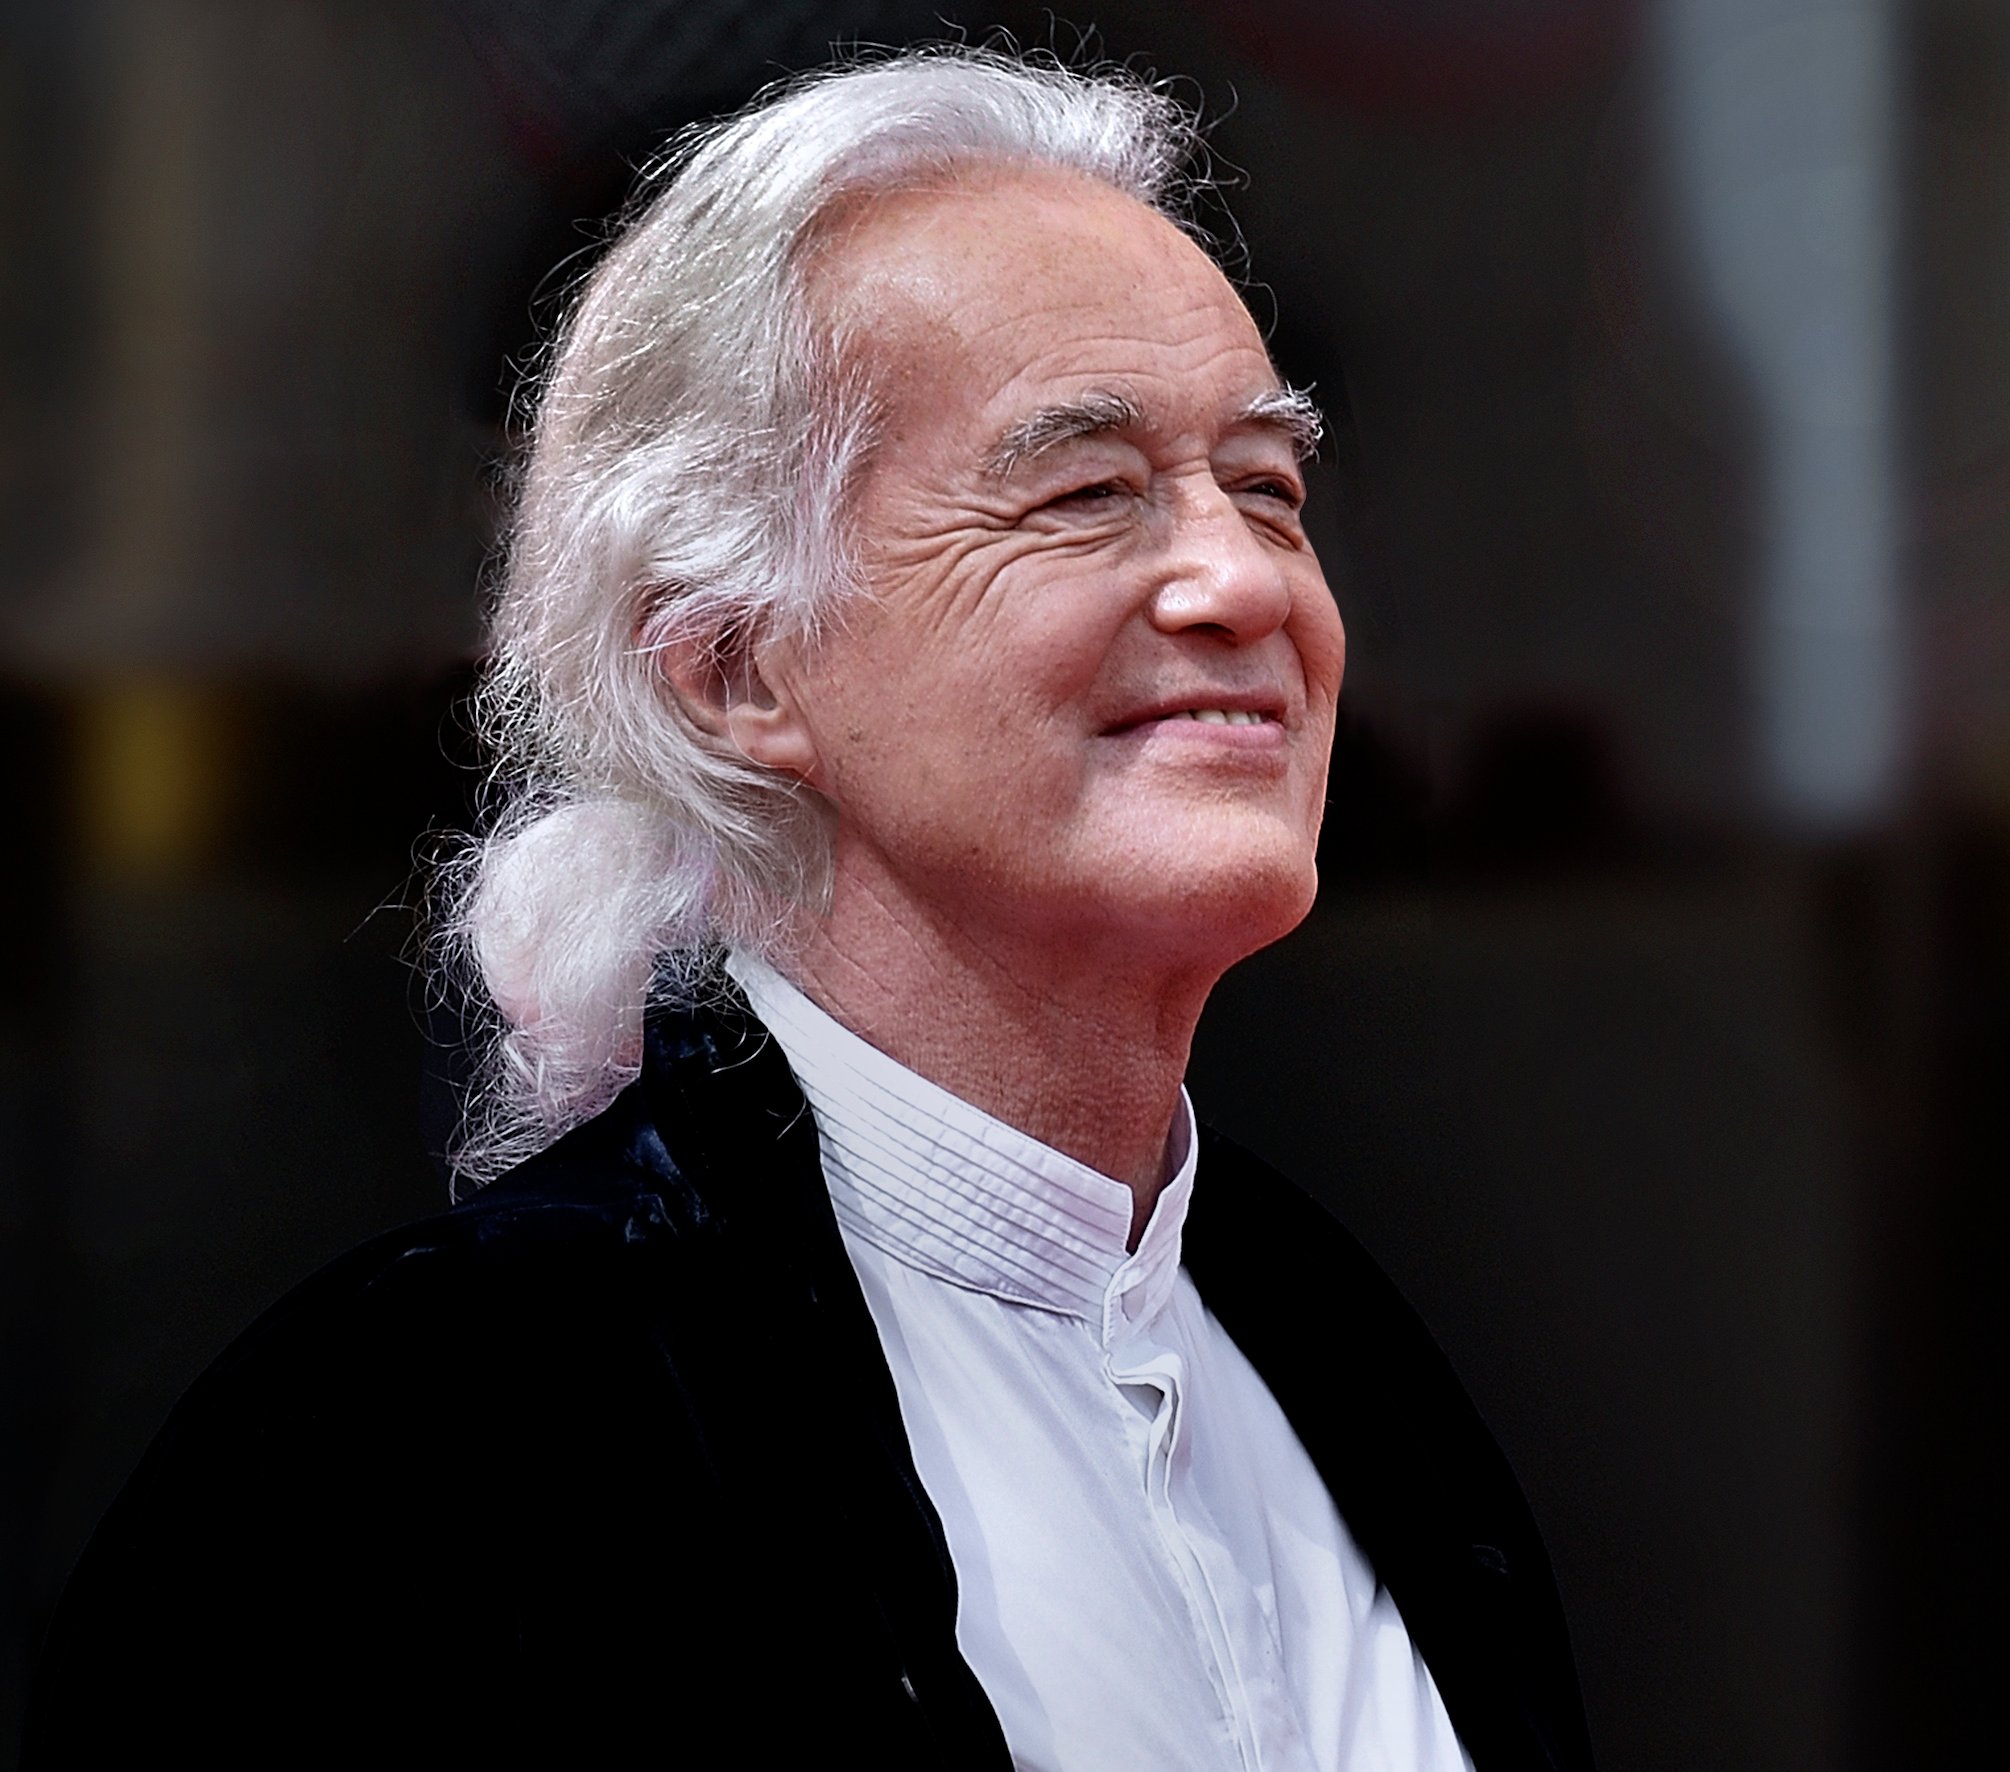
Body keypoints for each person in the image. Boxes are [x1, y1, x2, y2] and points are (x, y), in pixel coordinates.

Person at [24, 50, 1593, 1772]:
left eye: (1269, 489)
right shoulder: (414, 1437)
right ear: (731, 670)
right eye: (1086, 493)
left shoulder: (1347, 1356)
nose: (1242, 582)